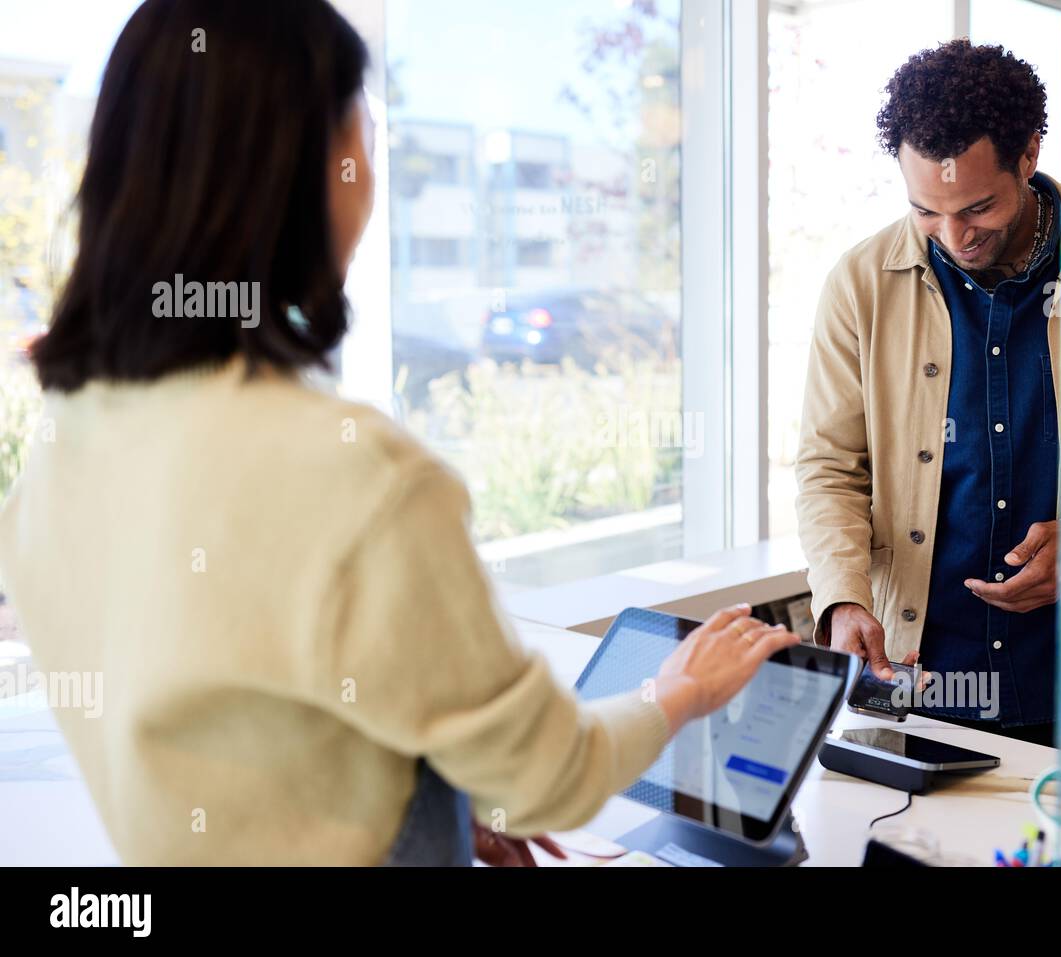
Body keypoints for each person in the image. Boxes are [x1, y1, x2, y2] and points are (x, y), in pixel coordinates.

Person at [0, 0, 799, 866]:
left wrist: (435, 800)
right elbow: (552, 777)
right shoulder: (354, 473)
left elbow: (242, 723)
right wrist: (677, 691)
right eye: (366, 134)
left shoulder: (64, 442)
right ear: (323, 167)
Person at [795, 39, 1061, 760]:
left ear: (1029, 154)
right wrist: (841, 596)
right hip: (915, 677)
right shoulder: (859, 282)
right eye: (925, 210)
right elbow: (828, 463)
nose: (954, 236)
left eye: (978, 207)